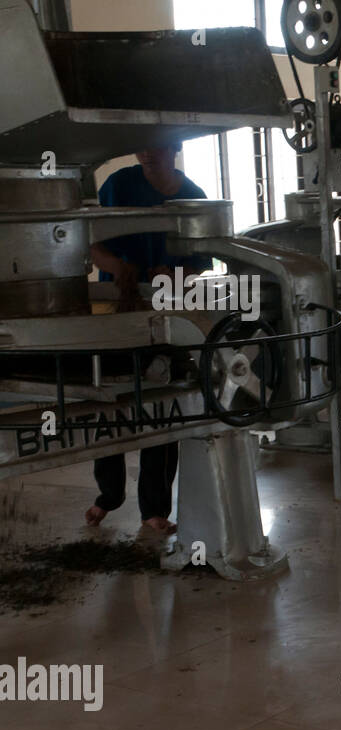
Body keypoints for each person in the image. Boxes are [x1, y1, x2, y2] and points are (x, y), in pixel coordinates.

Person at [85, 143, 209, 534]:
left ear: (174, 148)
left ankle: (154, 510)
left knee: (160, 403)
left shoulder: (194, 197)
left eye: (156, 146)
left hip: (165, 313)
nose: (147, 154)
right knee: (110, 399)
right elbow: (92, 243)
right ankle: (109, 495)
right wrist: (116, 267)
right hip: (116, 308)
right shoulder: (119, 184)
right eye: (141, 148)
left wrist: (173, 274)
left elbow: (200, 261)